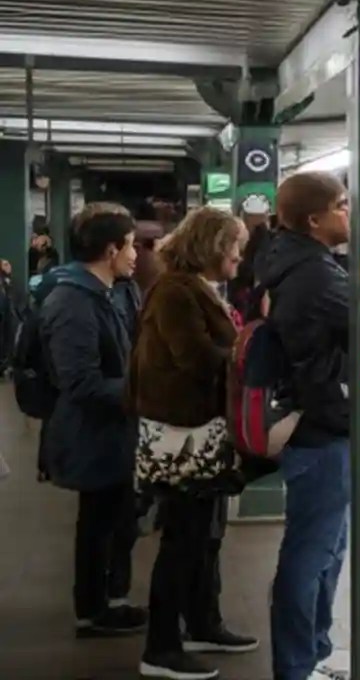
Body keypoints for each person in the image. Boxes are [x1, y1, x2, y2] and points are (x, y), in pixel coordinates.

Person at [129, 207, 256, 680]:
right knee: (183, 540)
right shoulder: (174, 291)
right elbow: (195, 357)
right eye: (235, 246)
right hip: (183, 438)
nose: (240, 257)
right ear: (213, 247)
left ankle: (203, 623)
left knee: (206, 536)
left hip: (200, 433)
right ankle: (161, 648)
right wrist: (248, 353)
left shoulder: (193, 287)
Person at [38, 202, 147, 637]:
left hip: (111, 431)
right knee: (98, 523)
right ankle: (93, 608)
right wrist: (145, 394)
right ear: (110, 249)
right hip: (91, 434)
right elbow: (79, 381)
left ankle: (109, 600)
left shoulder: (104, 293)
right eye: (131, 245)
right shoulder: (72, 302)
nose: (136, 254)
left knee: (115, 519)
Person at [259, 173, 351, 680]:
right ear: (315, 219)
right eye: (341, 206)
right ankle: (296, 667)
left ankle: (311, 656)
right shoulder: (317, 276)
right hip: (320, 431)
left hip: (314, 426)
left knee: (326, 551)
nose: (349, 214)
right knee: (310, 554)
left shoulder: (293, 262)